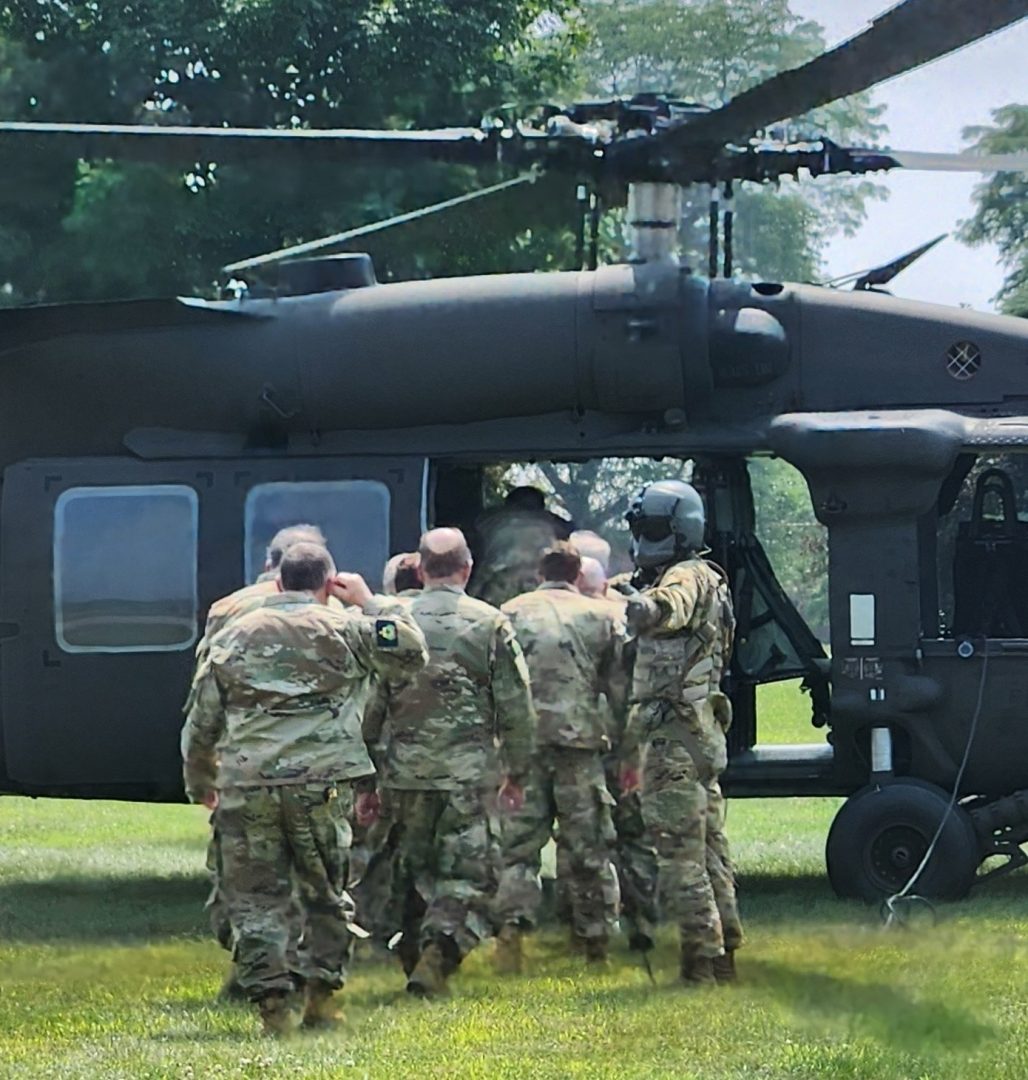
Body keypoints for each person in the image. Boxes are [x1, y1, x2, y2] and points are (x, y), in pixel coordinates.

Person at [181, 543, 428, 1034]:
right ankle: (320, 997)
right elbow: (412, 649)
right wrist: (369, 601)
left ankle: (272, 1004)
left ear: (277, 583)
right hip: (322, 785)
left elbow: (201, 720)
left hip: (248, 784)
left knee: (254, 899)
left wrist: (201, 780)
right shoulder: (348, 629)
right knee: (326, 893)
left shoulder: (235, 633)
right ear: (328, 583)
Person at [363, 527, 535, 997]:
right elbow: (515, 705)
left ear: (419, 569)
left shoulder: (394, 620)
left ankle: (411, 952)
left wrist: (365, 776)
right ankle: (439, 953)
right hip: (468, 775)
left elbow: (371, 702)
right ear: (468, 568)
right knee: (467, 873)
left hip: (404, 774)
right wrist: (517, 773)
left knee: (409, 866)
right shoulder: (490, 623)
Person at [190, 522, 329, 996]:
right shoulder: (329, 609)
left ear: (269, 563)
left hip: (243, 762)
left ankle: (257, 968)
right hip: (317, 764)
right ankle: (293, 968)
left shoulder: (228, 609)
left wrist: (200, 769)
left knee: (245, 876)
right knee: (313, 873)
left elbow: (205, 690)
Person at [617, 480, 743, 985]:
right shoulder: (707, 576)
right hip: (697, 733)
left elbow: (666, 608)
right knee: (709, 850)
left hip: (674, 738)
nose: (642, 538)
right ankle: (725, 955)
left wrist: (640, 608)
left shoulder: (686, 577)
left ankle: (699, 965)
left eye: (649, 528)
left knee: (679, 855)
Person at [495, 542, 625, 968]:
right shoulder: (603, 616)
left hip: (525, 747)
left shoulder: (511, 612)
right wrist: (627, 747)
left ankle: (511, 935)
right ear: (575, 574)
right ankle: (595, 943)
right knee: (589, 847)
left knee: (517, 849)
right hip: (580, 747)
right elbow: (619, 688)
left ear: (540, 571)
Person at [470, 486, 573, 607]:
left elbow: (474, 561)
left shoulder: (486, 522)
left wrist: (471, 596)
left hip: (496, 591)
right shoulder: (559, 527)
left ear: (508, 505)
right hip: (544, 596)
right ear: (541, 506)